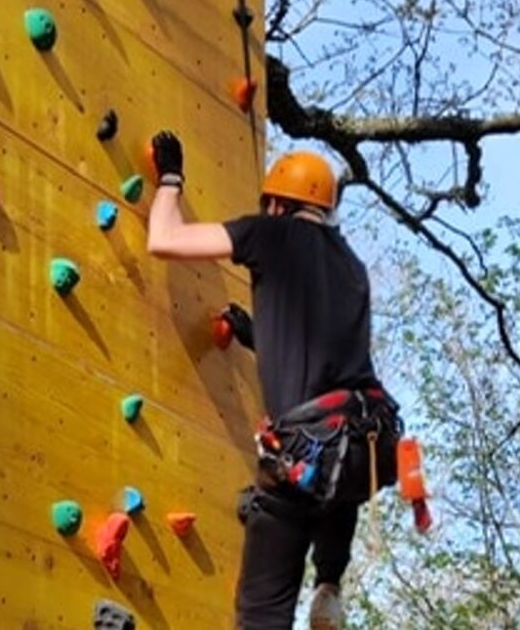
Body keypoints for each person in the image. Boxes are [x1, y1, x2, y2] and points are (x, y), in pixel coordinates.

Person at [146, 131, 394, 630]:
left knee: (262, 610)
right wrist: (256, 335)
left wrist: (170, 178)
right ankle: (329, 585)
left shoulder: (270, 234)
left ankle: (309, 592)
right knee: (336, 479)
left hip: (309, 449)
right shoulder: (352, 268)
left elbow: (165, 240)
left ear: (277, 203)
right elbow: (327, 355)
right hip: (369, 439)